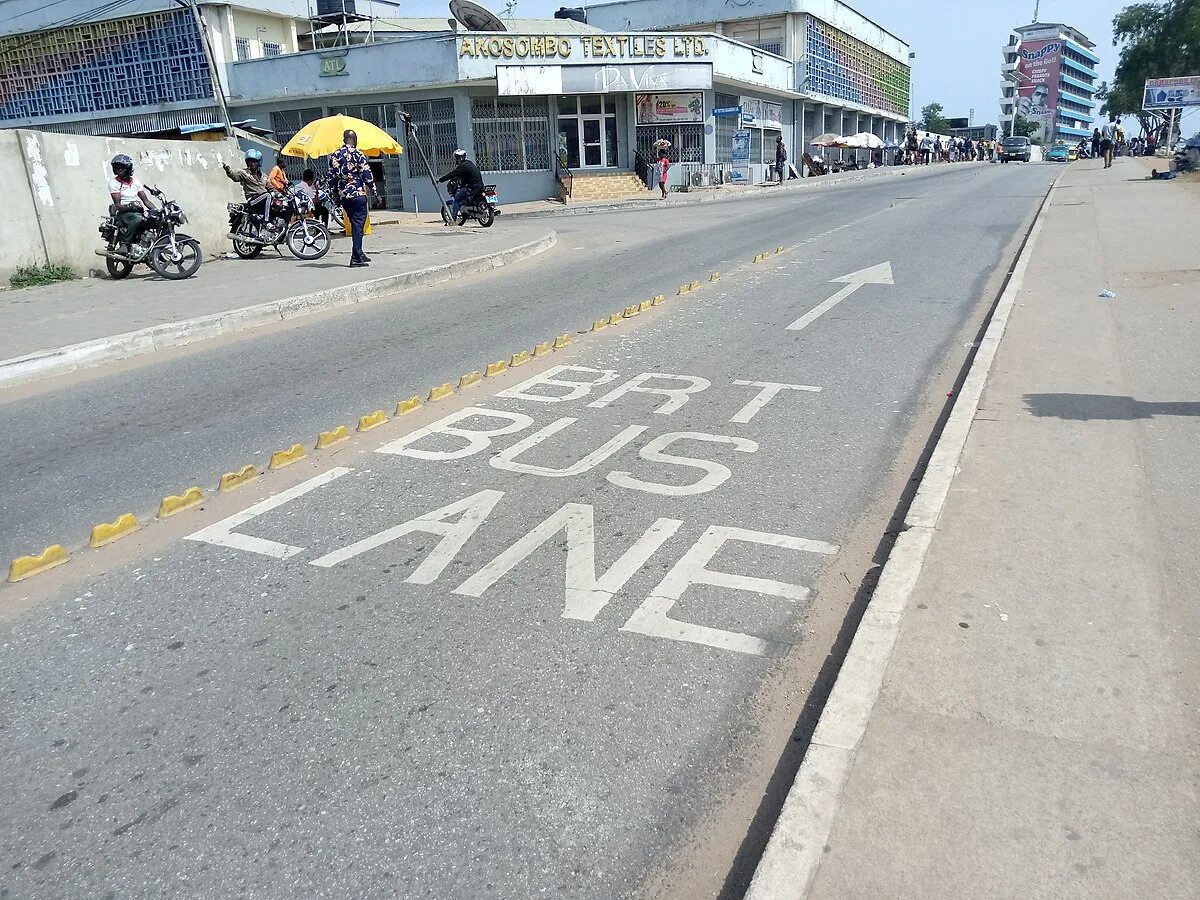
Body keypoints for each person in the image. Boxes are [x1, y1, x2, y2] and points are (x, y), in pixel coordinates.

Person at [328, 129, 378, 266]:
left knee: (354, 223)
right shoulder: (358, 154)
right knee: (358, 226)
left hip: (345, 197)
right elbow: (367, 174)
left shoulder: (335, 155)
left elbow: (331, 179)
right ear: (355, 139)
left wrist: (335, 195)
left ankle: (360, 253)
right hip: (357, 195)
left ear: (344, 140)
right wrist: (375, 193)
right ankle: (355, 257)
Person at [108, 153, 157, 256]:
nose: (119, 169)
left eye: (122, 167)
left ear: (128, 168)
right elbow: (118, 205)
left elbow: (146, 201)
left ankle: (153, 248)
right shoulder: (114, 183)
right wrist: (131, 206)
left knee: (155, 220)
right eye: (117, 168)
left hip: (136, 211)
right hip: (123, 212)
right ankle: (125, 245)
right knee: (137, 218)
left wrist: (157, 211)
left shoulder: (136, 182)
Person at [222, 148, 271, 226]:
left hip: (262, 201)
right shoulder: (244, 173)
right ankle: (266, 222)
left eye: (254, 161)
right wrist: (228, 170)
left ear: (259, 162)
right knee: (268, 195)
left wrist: (279, 194)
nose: (252, 163)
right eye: (249, 161)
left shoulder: (264, 176)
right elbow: (235, 177)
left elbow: (271, 187)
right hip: (252, 200)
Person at [438, 148, 485, 224]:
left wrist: (440, 180)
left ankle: (453, 220)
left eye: (458, 157)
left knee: (457, 199)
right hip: (479, 186)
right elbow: (464, 176)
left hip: (471, 188)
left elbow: (452, 174)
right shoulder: (469, 163)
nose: (457, 159)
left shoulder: (463, 166)